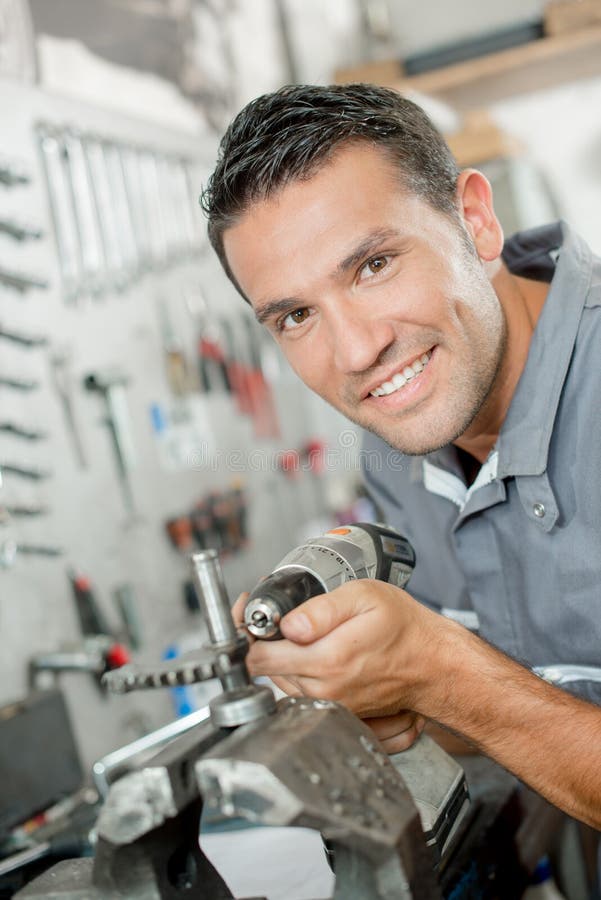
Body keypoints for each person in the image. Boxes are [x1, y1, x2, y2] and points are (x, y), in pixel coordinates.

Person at [200, 83, 601, 829]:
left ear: (475, 221)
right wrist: (376, 690)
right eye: (295, 315)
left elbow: (472, 687)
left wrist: (440, 674)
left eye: (373, 265)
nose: (356, 351)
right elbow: (525, 707)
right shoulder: (399, 446)